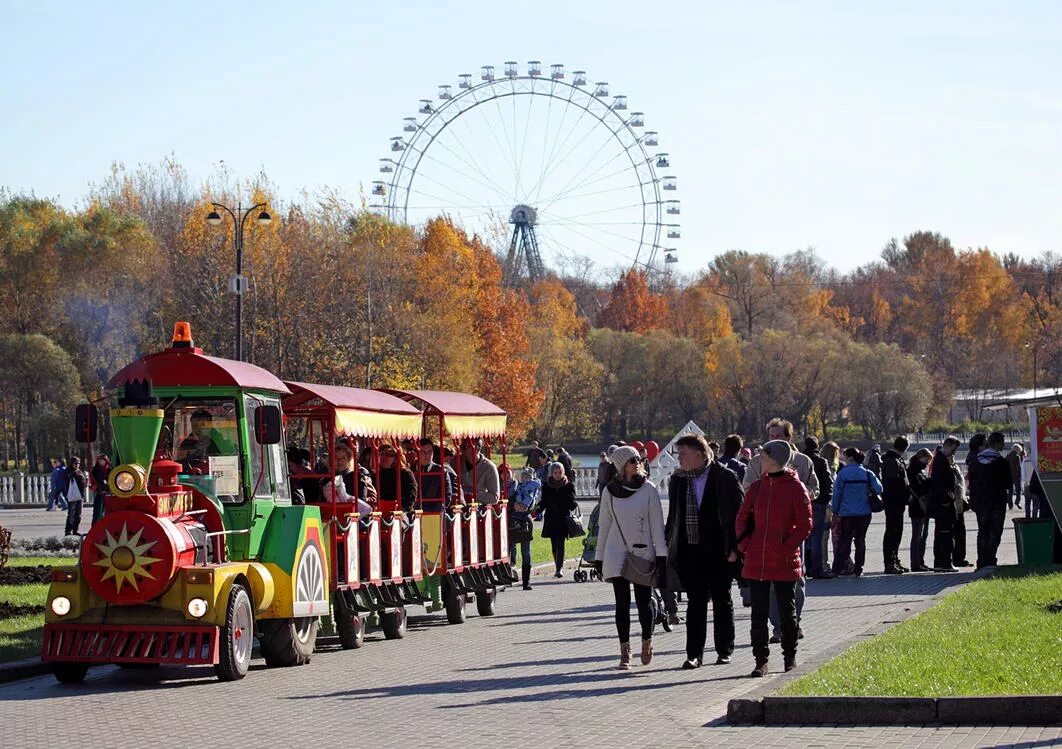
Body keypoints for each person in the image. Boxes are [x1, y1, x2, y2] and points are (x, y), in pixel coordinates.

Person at [665, 434, 743, 669]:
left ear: (698, 453)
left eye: (683, 454)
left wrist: (735, 548)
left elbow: (739, 516)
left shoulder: (724, 476)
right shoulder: (678, 480)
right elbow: (674, 516)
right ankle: (694, 654)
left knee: (722, 600)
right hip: (690, 549)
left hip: (720, 550)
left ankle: (724, 650)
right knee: (695, 602)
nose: (679, 459)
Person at [735, 440, 813, 676]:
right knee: (758, 614)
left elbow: (805, 524)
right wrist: (746, 544)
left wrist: (786, 547)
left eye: (764, 457)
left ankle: (790, 657)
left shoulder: (795, 488)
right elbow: (742, 518)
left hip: (784, 560)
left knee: (787, 612)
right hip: (757, 559)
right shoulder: (758, 487)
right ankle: (761, 661)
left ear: (774, 459)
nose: (760, 460)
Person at [594, 445, 667, 670]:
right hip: (616, 552)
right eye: (631, 460)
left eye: (638, 459)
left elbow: (657, 525)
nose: (637, 463)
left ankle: (647, 640)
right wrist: (599, 557)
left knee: (644, 602)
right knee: (622, 604)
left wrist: (662, 556)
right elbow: (604, 526)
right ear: (620, 466)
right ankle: (625, 652)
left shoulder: (649, 490)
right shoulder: (610, 491)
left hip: (642, 550)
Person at [743, 419, 817, 638]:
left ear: (788, 437)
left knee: (796, 577)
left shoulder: (802, 462)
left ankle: (794, 621)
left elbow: (815, 487)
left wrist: (801, 497)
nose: (773, 439)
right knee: (771, 581)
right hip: (764, 529)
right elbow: (747, 488)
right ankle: (778, 626)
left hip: (793, 529)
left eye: (778, 435)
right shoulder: (758, 462)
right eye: (771, 435)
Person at [831, 447, 883, 577]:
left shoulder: (842, 474)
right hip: (864, 512)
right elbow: (879, 488)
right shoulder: (867, 473)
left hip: (847, 513)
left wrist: (835, 510)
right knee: (860, 540)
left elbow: (837, 495)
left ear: (850, 458)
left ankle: (837, 568)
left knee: (844, 540)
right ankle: (858, 568)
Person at [969, 432, 1013, 570]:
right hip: (997, 502)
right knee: (995, 531)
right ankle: (990, 559)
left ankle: (981, 561)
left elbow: (972, 481)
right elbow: (1008, 483)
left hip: (980, 503)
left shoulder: (975, 461)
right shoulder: (1002, 462)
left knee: (982, 531)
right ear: (998, 443)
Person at [801, 437, 834, 579]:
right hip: (819, 502)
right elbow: (828, 481)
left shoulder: (800, 460)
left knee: (803, 536)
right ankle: (817, 569)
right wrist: (826, 498)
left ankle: (805, 567)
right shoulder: (821, 461)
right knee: (816, 537)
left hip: (802, 502)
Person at [929, 436, 963, 572]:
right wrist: (946, 500)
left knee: (940, 533)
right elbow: (942, 483)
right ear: (948, 446)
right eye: (953, 450)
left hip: (942, 502)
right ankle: (946, 563)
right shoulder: (942, 462)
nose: (954, 453)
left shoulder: (939, 460)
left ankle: (939, 563)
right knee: (946, 533)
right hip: (944, 503)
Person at [539, 462, 577, 578]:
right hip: (550, 518)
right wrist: (537, 510)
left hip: (563, 518)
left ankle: (559, 568)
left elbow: (572, 504)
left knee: (560, 543)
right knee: (554, 544)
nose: (558, 475)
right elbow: (544, 501)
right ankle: (557, 565)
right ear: (552, 473)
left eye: (560, 473)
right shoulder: (547, 485)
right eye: (555, 473)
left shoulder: (568, 485)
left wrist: (571, 501)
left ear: (563, 473)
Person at [880, 437, 911, 574]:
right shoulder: (892, 461)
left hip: (896, 502)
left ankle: (894, 559)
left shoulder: (894, 459)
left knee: (896, 532)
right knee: (893, 532)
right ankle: (890, 562)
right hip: (894, 502)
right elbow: (893, 483)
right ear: (905, 448)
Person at [511, 468, 541, 589]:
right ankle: (511, 572)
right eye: (523, 476)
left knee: (526, 550)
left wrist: (524, 506)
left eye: (527, 477)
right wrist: (515, 504)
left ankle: (526, 581)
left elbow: (531, 499)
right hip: (514, 517)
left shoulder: (533, 487)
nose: (524, 478)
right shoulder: (518, 485)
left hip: (525, 520)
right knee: (511, 547)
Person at [906, 448, 934, 571]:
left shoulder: (919, 470)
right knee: (917, 536)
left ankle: (920, 561)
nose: (928, 462)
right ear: (920, 457)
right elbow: (918, 488)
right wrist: (930, 482)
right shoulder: (913, 470)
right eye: (927, 459)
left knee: (922, 535)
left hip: (921, 506)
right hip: (917, 506)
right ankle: (915, 563)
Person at [417, 437, 456, 510]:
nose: (427, 455)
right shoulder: (411, 470)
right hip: (415, 513)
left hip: (435, 513)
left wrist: (434, 511)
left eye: (429, 451)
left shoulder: (441, 471)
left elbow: (446, 496)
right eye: (423, 451)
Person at [378, 443, 418, 513]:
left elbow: (411, 496)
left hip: (400, 512)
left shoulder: (405, 473)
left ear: (396, 458)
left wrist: (396, 505)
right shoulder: (376, 475)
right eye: (381, 454)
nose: (384, 457)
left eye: (388, 455)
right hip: (380, 511)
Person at [461, 439, 500, 506]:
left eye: (465, 447)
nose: (461, 450)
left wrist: (472, 495)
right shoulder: (454, 462)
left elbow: (494, 497)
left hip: (477, 509)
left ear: (476, 449)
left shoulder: (489, 467)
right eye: (461, 447)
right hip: (456, 507)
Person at [63, 456, 88, 537]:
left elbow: (83, 482)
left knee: (78, 514)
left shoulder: (79, 471)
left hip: (80, 496)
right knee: (71, 514)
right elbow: (66, 482)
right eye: (75, 463)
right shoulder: (68, 472)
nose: (77, 465)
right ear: (71, 463)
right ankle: (68, 531)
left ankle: (75, 530)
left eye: (78, 463)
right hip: (72, 495)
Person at [90, 454, 111, 525]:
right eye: (100, 460)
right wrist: (103, 486)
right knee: (97, 511)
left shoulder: (110, 469)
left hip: (108, 493)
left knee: (107, 511)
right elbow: (98, 480)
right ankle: (94, 526)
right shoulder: (95, 469)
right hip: (98, 492)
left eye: (103, 460)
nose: (101, 462)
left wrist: (107, 487)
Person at [1007, 443, 1024, 510]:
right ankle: (1017, 501)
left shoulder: (1007, 456)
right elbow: (1019, 467)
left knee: (1010, 491)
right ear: (1018, 449)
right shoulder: (1017, 456)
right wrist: (1021, 475)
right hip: (1016, 475)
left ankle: (1010, 504)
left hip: (1009, 475)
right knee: (1018, 490)